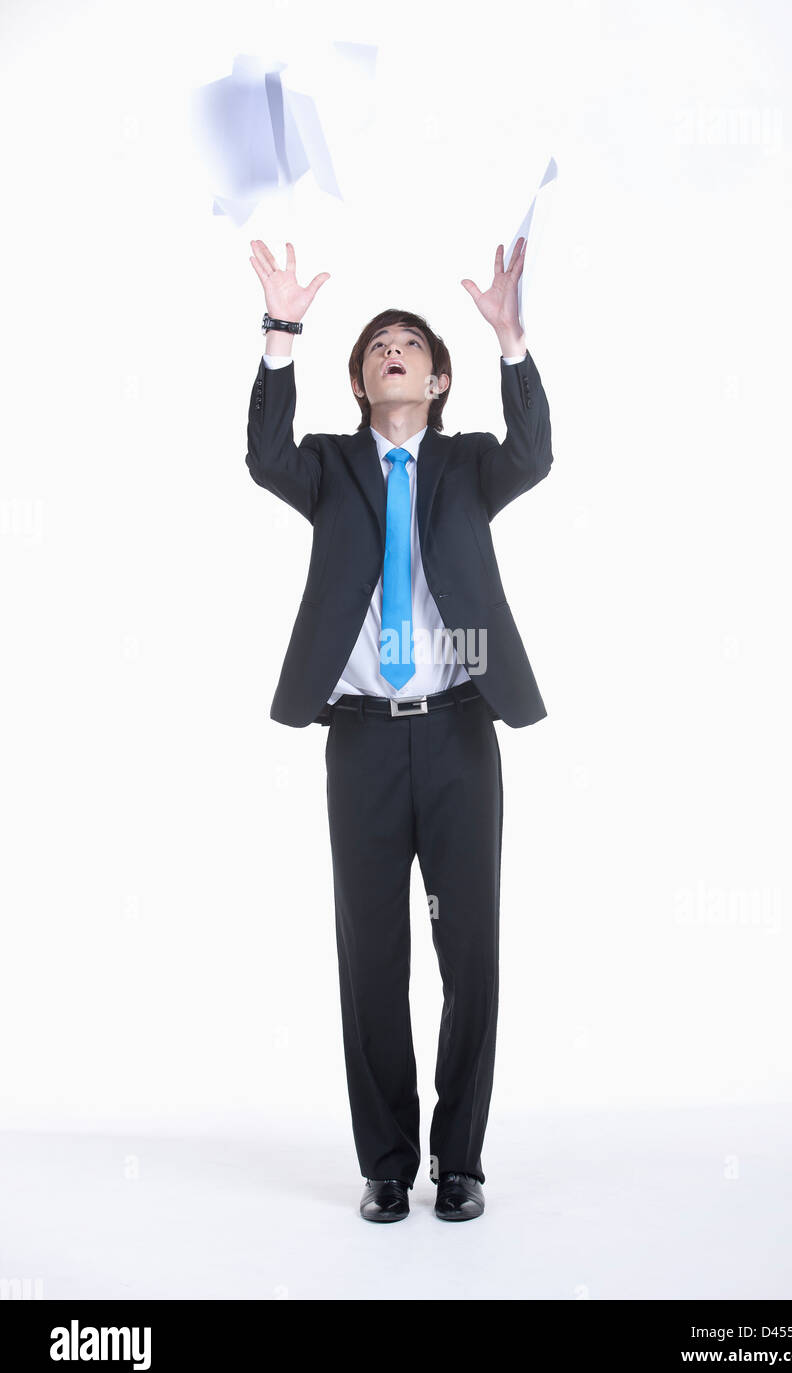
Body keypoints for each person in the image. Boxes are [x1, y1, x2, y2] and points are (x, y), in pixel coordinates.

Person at [245, 238, 553, 1221]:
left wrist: (512, 344)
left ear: (435, 375)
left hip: (462, 732)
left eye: (408, 341)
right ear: (362, 379)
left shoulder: (466, 467)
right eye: (376, 342)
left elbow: (534, 454)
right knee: (370, 954)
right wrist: (280, 335)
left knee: (471, 956)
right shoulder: (332, 467)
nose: (391, 348)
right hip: (362, 740)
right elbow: (262, 456)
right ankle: (384, 1161)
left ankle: (457, 1161)